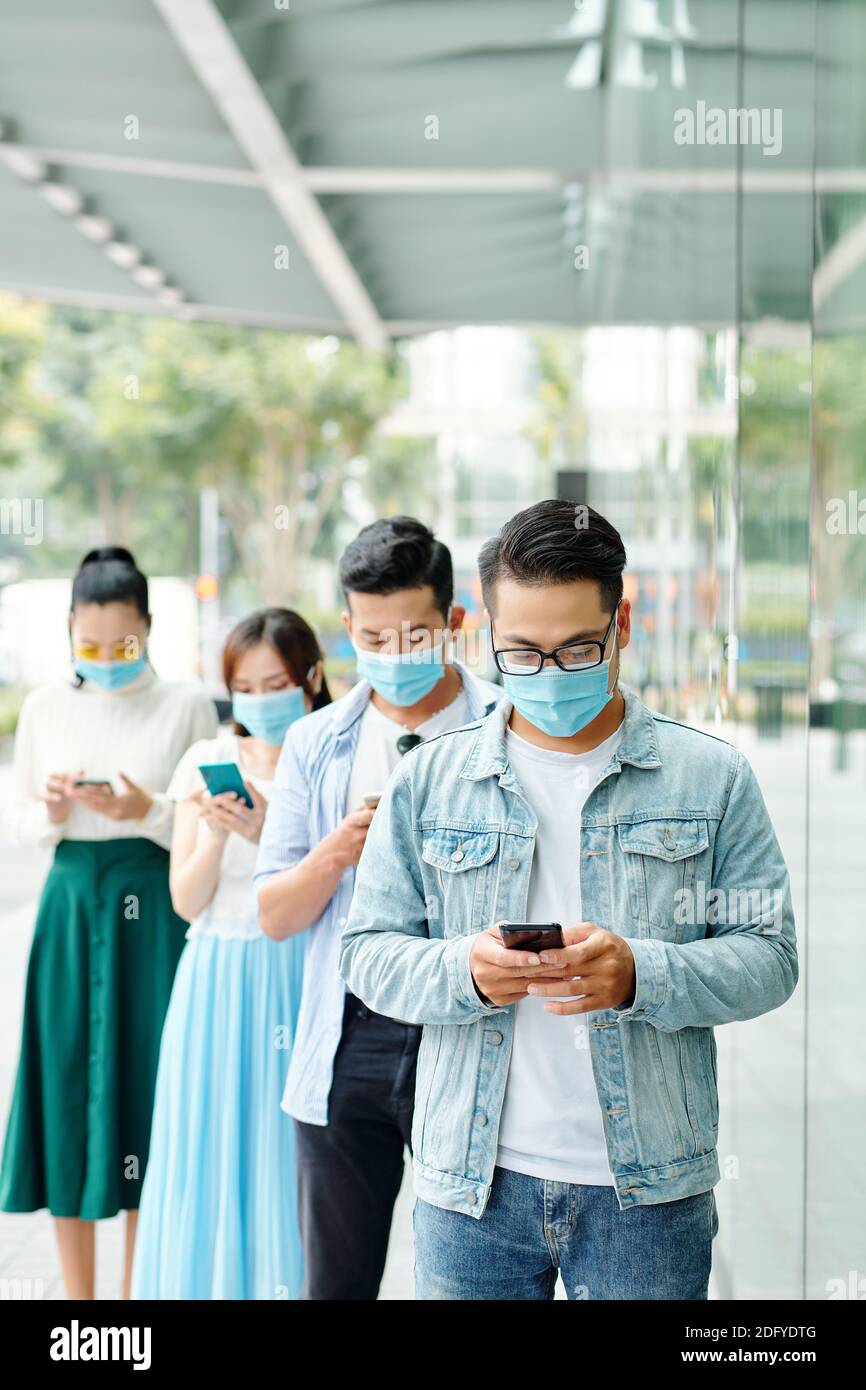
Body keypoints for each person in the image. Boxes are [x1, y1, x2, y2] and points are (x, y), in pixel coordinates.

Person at [339, 499, 799, 1301]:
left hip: (647, 1197)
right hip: (471, 1188)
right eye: (521, 653)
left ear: (623, 619)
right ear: (487, 630)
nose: (548, 677)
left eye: (577, 649)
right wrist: (466, 972)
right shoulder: (430, 778)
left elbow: (770, 957)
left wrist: (640, 975)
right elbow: (367, 952)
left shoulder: (710, 777)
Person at [255, 516, 501, 1300]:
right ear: (347, 630)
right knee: (335, 1284)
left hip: (468, 1032)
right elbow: (275, 915)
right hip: (343, 1036)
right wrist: (338, 850)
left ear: (454, 624)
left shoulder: (507, 728)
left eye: (414, 635)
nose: (394, 655)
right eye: (373, 637)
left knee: (467, 1279)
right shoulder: (317, 743)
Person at [0, 546, 218, 1299]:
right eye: (88, 645)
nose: (105, 659)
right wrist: (54, 810)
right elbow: (25, 820)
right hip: (68, 903)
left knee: (146, 1084)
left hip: (151, 905)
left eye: (121, 645)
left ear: (148, 630)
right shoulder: (45, 706)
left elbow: (200, 819)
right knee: (63, 1079)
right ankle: (79, 1302)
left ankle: (137, 1295)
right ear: (68, 629)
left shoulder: (187, 702)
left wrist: (144, 810)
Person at [131, 608, 328, 1300]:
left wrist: (268, 827)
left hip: (297, 971)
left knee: (287, 1158)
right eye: (244, 686)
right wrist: (217, 834)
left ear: (310, 678)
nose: (260, 699)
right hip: (214, 976)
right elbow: (186, 900)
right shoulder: (204, 764)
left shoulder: (328, 757)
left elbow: (342, 883)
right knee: (205, 1148)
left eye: (274, 682)